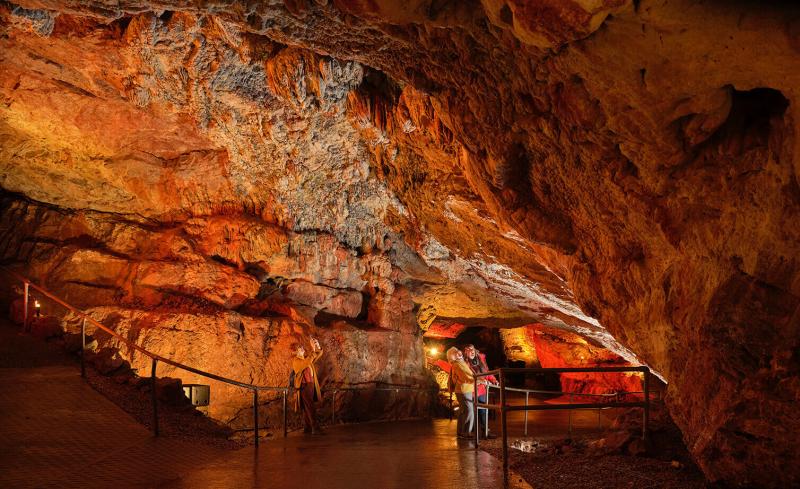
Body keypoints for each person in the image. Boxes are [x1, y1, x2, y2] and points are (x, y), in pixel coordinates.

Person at [291, 337, 323, 434]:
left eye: (301, 347)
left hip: (310, 385)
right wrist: (312, 349)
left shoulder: (306, 359)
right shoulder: (296, 361)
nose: (302, 348)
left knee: (307, 406)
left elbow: (315, 356)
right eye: (300, 348)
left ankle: (307, 427)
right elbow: (307, 362)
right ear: (295, 352)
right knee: (310, 406)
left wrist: (317, 346)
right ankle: (315, 427)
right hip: (304, 386)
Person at [463, 344, 498, 438]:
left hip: (481, 390)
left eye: (472, 349)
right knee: (472, 412)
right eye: (468, 350)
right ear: (465, 352)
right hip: (471, 390)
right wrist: (480, 381)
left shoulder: (481, 359)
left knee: (483, 411)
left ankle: (486, 432)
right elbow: (467, 376)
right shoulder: (464, 363)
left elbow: (487, 372)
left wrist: (493, 380)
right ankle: (470, 432)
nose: (471, 351)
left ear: (475, 350)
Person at [447, 346, 481, 439]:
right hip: (464, 390)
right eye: (456, 353)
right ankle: (466, 432)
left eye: (458, 351)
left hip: (464, 389)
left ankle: (461, 432)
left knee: (464, 411)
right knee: (469, 411)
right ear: (453, 356)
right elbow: (464, 377)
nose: (459, 353)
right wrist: (477, 381)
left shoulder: (459, 363)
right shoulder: (457, 364)